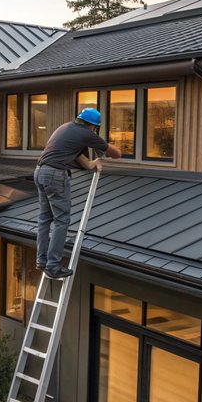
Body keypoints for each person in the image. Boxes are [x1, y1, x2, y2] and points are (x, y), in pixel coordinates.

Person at [34, 108, 122, 279]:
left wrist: (92, 163)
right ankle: (53, 265)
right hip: (55, 175)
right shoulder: (86, 133)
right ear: (93, 126)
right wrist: (109, 149)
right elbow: (116, 154)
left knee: (45, 219)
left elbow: (81, 159)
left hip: (40, 171)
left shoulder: (66, 128)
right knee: (62, 220)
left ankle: (42, 260)